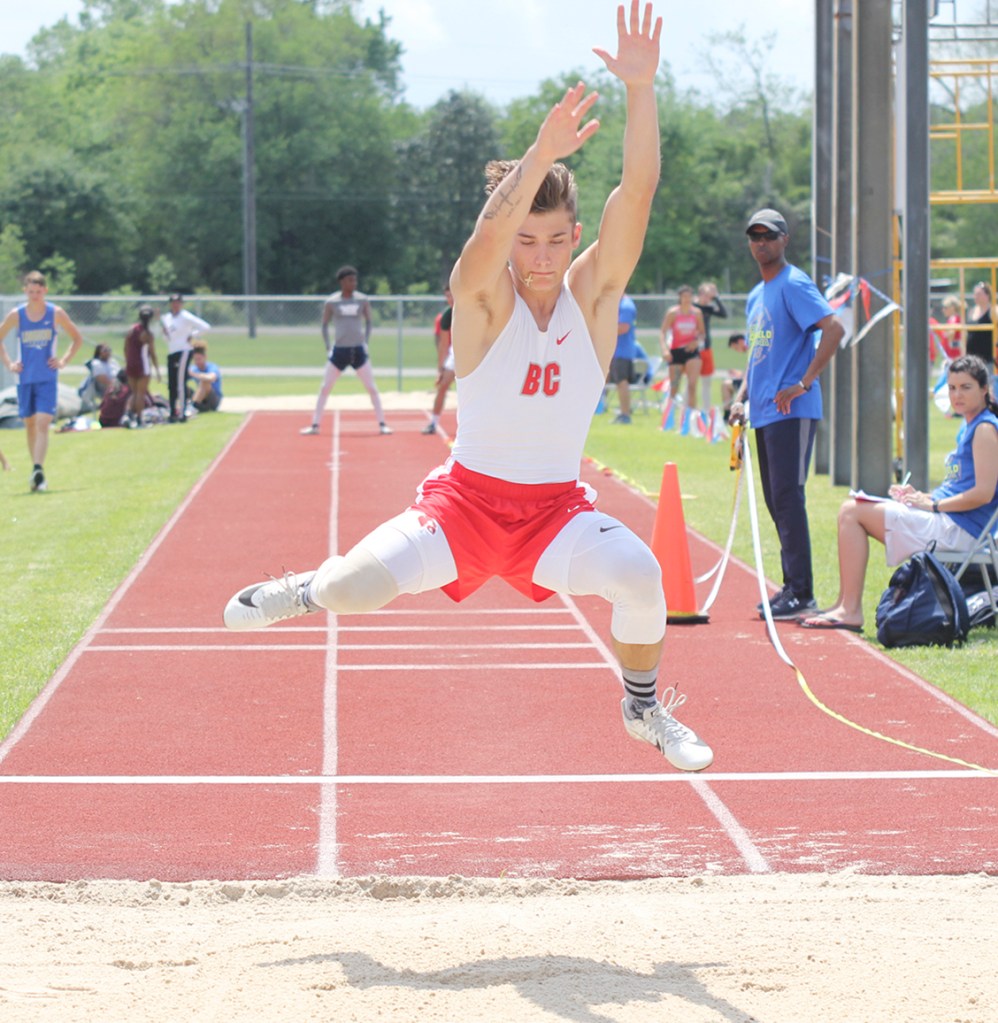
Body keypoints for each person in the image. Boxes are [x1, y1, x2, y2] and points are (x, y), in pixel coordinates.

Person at [225, 1, 713, 773]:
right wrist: (539, 152)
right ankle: (307, 586)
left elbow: (639, 190)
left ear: (576, 237)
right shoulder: (485, 301)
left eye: (557, 239)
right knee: (353, 588)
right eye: (529, 239)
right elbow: (482, 247)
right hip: (463, 507)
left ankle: (644, 707)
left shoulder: (594, 296)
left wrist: (641, 90)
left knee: (642, 575)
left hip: (555, 514)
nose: (543, 255)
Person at [798, 355, 998, 632]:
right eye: (952, 388)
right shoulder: (969, 426)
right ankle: (843, 603)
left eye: (965, 387)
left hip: (961, 532)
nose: (957, 395)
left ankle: (851, 609)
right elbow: (960, 487)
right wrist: (921, 497)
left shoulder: (985, 429)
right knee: (852, 507)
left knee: (853, 511)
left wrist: (935, 505)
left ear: (985, 389)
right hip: (948, 522)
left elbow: (983, 495)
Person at [729, 208, 845, 620]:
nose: (761, 242)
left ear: (784, 240)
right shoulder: (756, 294)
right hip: (762, 411)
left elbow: (833, 329)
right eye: (754, 236)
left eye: (769, 236)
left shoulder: (794, 283)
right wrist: (741, 397)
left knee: (787, 497)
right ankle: (791, 587)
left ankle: (802, 591)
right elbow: (756, 358)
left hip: (791, 411)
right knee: (776, 501)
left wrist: (805, 381)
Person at [0, 270, 84, 492]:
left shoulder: (55, 313)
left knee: (43, 422)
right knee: (29, 424)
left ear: (45, 291)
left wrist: (64, 360)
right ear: (25, 292)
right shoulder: (17, 315)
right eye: (31, 292)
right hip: (24, 377)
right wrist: (9, 363)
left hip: (47, 377)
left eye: (38, 291)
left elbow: (77, 338)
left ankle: (38, 468)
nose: (35, 295)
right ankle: (36, 471)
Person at [301, 266, 391, 436]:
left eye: (355, 280)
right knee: (325, 387)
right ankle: (315, 425)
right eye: (350, 280)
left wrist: (366, 342)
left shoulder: (362, 300)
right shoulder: (332, 302)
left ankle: (382, 424)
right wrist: (328, 346)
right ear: (342, 282)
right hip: (339, 351)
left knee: (371, 387)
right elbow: (324, 324)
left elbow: (369, 321)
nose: (353, 283)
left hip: (358, 351)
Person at [162, 293, 210, 423]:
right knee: (171, 383)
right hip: (172, 351)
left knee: (180, 382)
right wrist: (165, 334)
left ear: (181, 304)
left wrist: (192, 335)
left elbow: (205, 327)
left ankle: (182, 412)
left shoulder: (185, 316)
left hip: (183, 350)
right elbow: (167, 338)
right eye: (173, 302)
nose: (175, 304)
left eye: (178, 302)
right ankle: (173, 412)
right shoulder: (167, 318)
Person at [660, 284, 705, 411]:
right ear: (680, 298)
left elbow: (702, 333)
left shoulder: (696, 313)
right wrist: (665, 349)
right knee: (674, 386)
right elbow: (663, 332)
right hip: (676, 351)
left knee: (692, 385)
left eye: (689, 296)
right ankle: (670, 416)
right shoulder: (673, 313)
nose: (687, 299)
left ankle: (691, 416)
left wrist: (697, 342)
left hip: (691, 351)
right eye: (684, 296)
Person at [423, 287, 455, 435]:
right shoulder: (447, 316)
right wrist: (440, 368)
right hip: (457, 353)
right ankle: (433, 422)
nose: (450, 299)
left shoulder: (472, 308)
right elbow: (443, 344)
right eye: (447, 296)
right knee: (443, 386)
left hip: (477, 352)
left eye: (452, 295)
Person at [123, 305, 160, 428]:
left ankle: (128, 415)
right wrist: (157, 370)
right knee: (140, 394)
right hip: (142, 365)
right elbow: (153, 353)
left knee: (133, 393)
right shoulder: (148, 334)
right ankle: (139, 419)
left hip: (130, 363)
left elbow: (126, 347)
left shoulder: (132, 329)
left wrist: (128, 361)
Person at [693, 281, 727, 409]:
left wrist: (717, 297)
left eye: (710, 297)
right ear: (700, 294)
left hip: (706, 347)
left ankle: (706, 410)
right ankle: (689, 409)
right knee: (692, 382)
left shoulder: (709, 308)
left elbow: (724, 314)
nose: (709, 299)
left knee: (706, 382)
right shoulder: (692, 307)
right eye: (707, 295)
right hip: (693, 348)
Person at [607, 292, 639, 424]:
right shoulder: (618, 303)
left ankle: (625, 414)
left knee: (622, 382)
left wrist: (602, 329)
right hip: (616, 351)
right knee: (617, 382)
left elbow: (623, 327)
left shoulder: (626, 306)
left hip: (622, 351)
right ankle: (621, 411)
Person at [965, 281, 995, 392]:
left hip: (987, 358)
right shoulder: (971, 311)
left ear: (987, 295)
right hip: (971, 359)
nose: (976, 296)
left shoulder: (993, 311)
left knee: (988, 388)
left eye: (979, 294)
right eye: (975, 294)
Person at [77, 343, 120, 411]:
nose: (108, 352)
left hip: (118, 385)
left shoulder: (113, 362)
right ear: (99, 352)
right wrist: (116, 387)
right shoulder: (97, 363)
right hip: (106, 388)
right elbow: (101, 379)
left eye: (109, 350)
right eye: (105, 350)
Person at [188, 340, 223, 412]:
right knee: (182, 387)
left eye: (199, 359)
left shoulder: (212, 367)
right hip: (201, 399)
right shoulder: (194, 368)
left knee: (204, 382)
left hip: (213, 400)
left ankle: (193, 406)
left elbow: (211, 378)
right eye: (195, 359)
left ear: (205, 357)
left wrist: (195, 375)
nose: (197, 362)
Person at [721, 331, 748, 422]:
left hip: (751, 386)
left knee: (725, 384)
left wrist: (740, 375)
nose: (737, 351)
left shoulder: (751, 349)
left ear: (740, 341)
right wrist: (738, 374)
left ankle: (727, 415)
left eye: (736, 348)